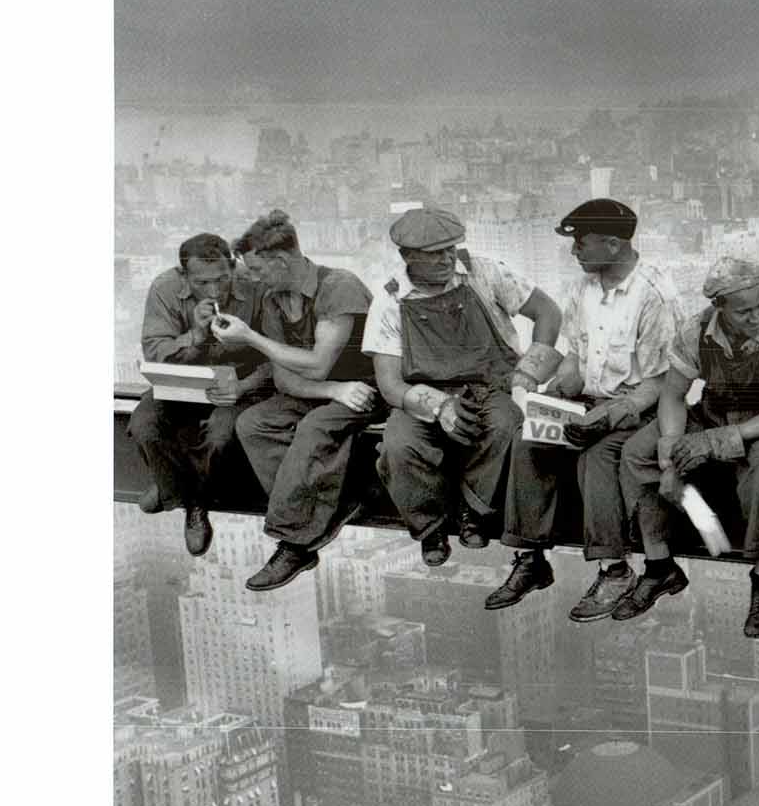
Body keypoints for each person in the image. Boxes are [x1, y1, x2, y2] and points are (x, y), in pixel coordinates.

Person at [484, 198, 686, 622]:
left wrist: (613, 414)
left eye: (581, 242)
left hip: (636, 409)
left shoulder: (655, 297)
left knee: (598, 458)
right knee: (529, 443)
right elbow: (574, 355)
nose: (574, 250)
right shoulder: (582, 288)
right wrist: (554, 392)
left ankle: (613, 569)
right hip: (587, 403)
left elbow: (662, 382)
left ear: (613, 245)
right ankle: (530, 559)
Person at [618, 256, 759, 639]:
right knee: (636, 452)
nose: (757, 317)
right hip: (711, 411)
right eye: (744, 312)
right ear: (718, 307)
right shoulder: (695, 330)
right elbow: (673, 396)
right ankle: (660, 565)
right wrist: (670, 457)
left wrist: (717, 442)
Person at [361, 206, 564, 566]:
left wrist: (529, 372)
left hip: (490, 386)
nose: (447, 259)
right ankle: (429, 527)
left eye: (451, 249)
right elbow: (390, 384)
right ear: (408, 256)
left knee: (504, 428)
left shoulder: (484, 271)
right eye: (434, 253)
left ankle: (477, 511)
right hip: (423, 393)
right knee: (398, 445)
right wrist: (439, 407)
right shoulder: (390, 299)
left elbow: (548, 313)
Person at [207, 210, 380, 591]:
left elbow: (317, 365)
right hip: (330, 391)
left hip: (367, 389)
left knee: (315, 427)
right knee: (253, 423)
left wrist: (250, 338)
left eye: (256, 269)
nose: (251, 278)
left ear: (282, 261)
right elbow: (284, 376)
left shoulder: (339, 287)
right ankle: (324, 510)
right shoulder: (274, 300)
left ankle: (294, 542)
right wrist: (331, 391)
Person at [128, 232, 271, 557]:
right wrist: (196, 335)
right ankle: (172, 486)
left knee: (220, 437)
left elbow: (274, 353)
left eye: (222, 279)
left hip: (238, 383)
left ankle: (191, 503)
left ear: (232, 267)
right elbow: (155, 353)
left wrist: (243, 386)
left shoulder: (255, 286)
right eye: (202, 282)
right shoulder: (164, 288)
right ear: (183, 275)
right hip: (182, 381)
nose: (215, 290)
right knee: (144, 426)